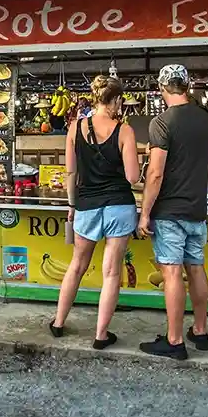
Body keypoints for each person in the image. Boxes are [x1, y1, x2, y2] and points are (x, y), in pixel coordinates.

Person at [50, 76, 140, 349]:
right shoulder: (124, 131)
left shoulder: (75, 128)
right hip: (119, 205)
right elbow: (133, 177)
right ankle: (101, 335)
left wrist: (71, 205)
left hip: (87, 206)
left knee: (76, 266)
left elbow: (70, 172)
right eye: (120, 100)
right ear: (115, 100)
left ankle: (58, 323)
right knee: (111, 272)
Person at [137, 65, 208, 360]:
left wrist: (145, 213)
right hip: (197, 209)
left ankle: (174, 341)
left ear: (162, 88)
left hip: (170, 211)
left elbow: (155, 173)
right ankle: (200, 331)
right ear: (186, 86)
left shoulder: (161, 122)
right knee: (196, 268)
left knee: (171, 273)